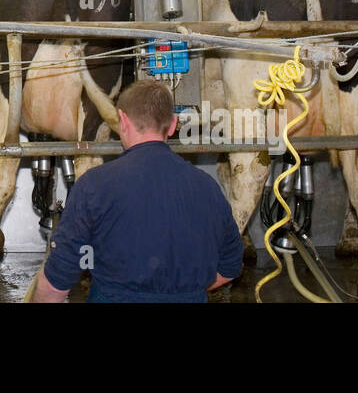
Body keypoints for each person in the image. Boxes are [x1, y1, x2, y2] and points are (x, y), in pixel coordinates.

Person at [30, 79, 243, 303]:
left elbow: (55, 286)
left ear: (122, 121)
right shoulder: (207, 187)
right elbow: (229, 267)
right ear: (172, 125)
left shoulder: (94, 185)